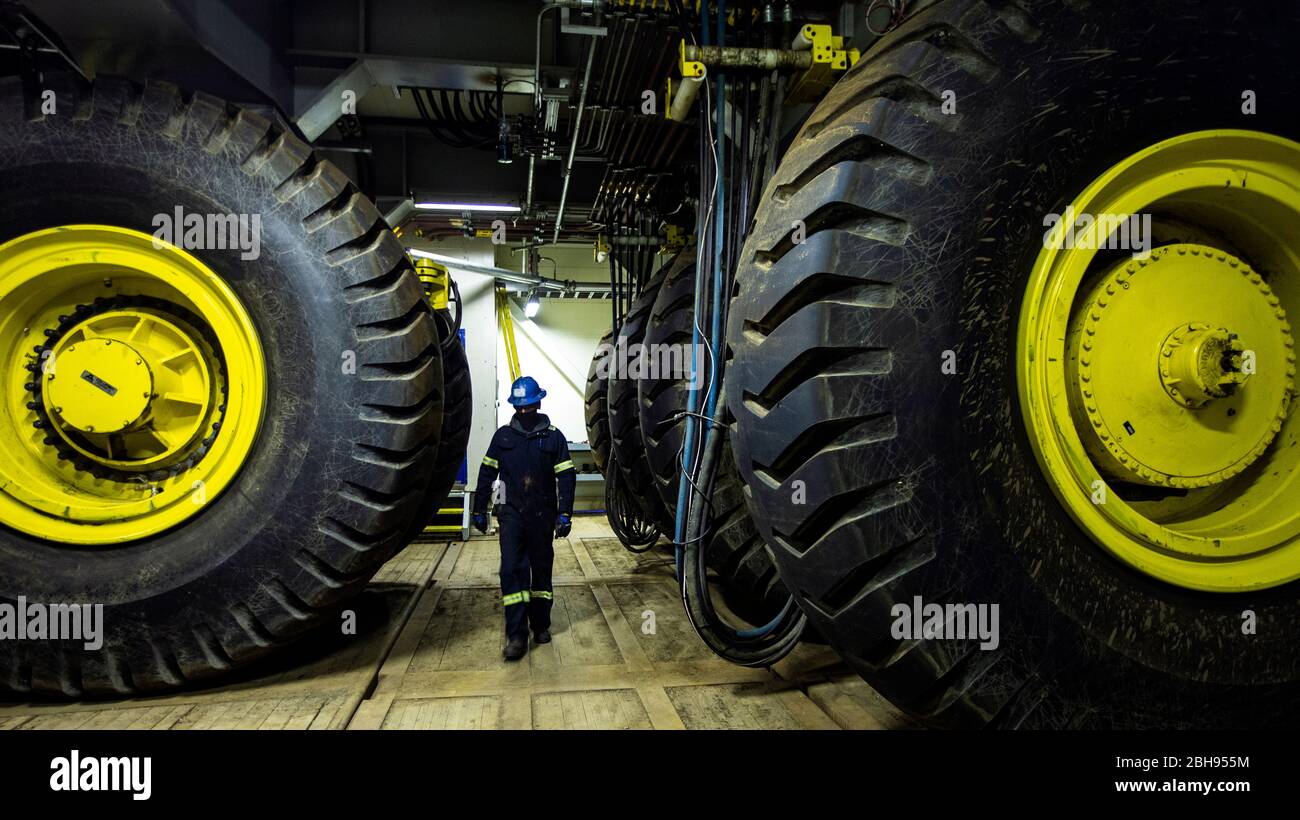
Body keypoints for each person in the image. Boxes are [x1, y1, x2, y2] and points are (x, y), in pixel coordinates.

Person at [472, 376, 576, 661]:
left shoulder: (553, 437)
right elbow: (486, 472)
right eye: (519, 407)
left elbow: (566, 475)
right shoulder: (503, 438)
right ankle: (516, 635)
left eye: (528, 406)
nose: (524, 412)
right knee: (511, 571)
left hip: (543, 515)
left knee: (541, 571)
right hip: (511, 514)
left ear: (538, 403)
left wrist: (565, 513)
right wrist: (479, 508)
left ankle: (540, 624)